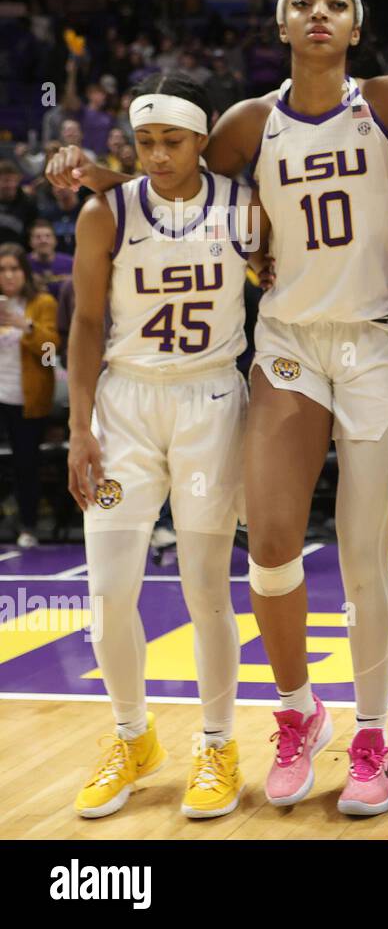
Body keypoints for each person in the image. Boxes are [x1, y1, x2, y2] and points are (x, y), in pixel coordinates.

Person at [45, 0, 388, 819]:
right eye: (301, 3)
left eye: (335, 5)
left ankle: (370, 734)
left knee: (364, 555)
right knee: (274, 544)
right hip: (287, 341)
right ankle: (298, 713)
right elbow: (173, 186)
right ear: (282, 23)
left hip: (374, 341)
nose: (317, 14)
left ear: (356, 29)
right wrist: (103, 180)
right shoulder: (248, 122)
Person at [65, 75, 251, 819]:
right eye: (143, 143)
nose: (157, 155)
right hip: (126, 404)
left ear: (202, 139)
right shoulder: (104, 213)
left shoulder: (244, 208)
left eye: (172, 141)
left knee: (206, 588)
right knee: (109, 594)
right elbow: (83, 324)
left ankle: (218, 745)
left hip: (210, 398)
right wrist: (80, 425)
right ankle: (131, 735)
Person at [0, 244, 58, 548]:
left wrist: (27, 327)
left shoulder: (42, 303)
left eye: (14, 268)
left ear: (25, 271)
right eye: (3, 269)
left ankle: (28, 525)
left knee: (26, 465)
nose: (8, 275)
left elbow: (50, 355)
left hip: (27, 399)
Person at [27, 220, 73, 300]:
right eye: (38, 237)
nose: (43, 240)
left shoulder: (70, 263)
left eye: (48, 236)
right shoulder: (23, 263)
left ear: (55, 241)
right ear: (30, 242)